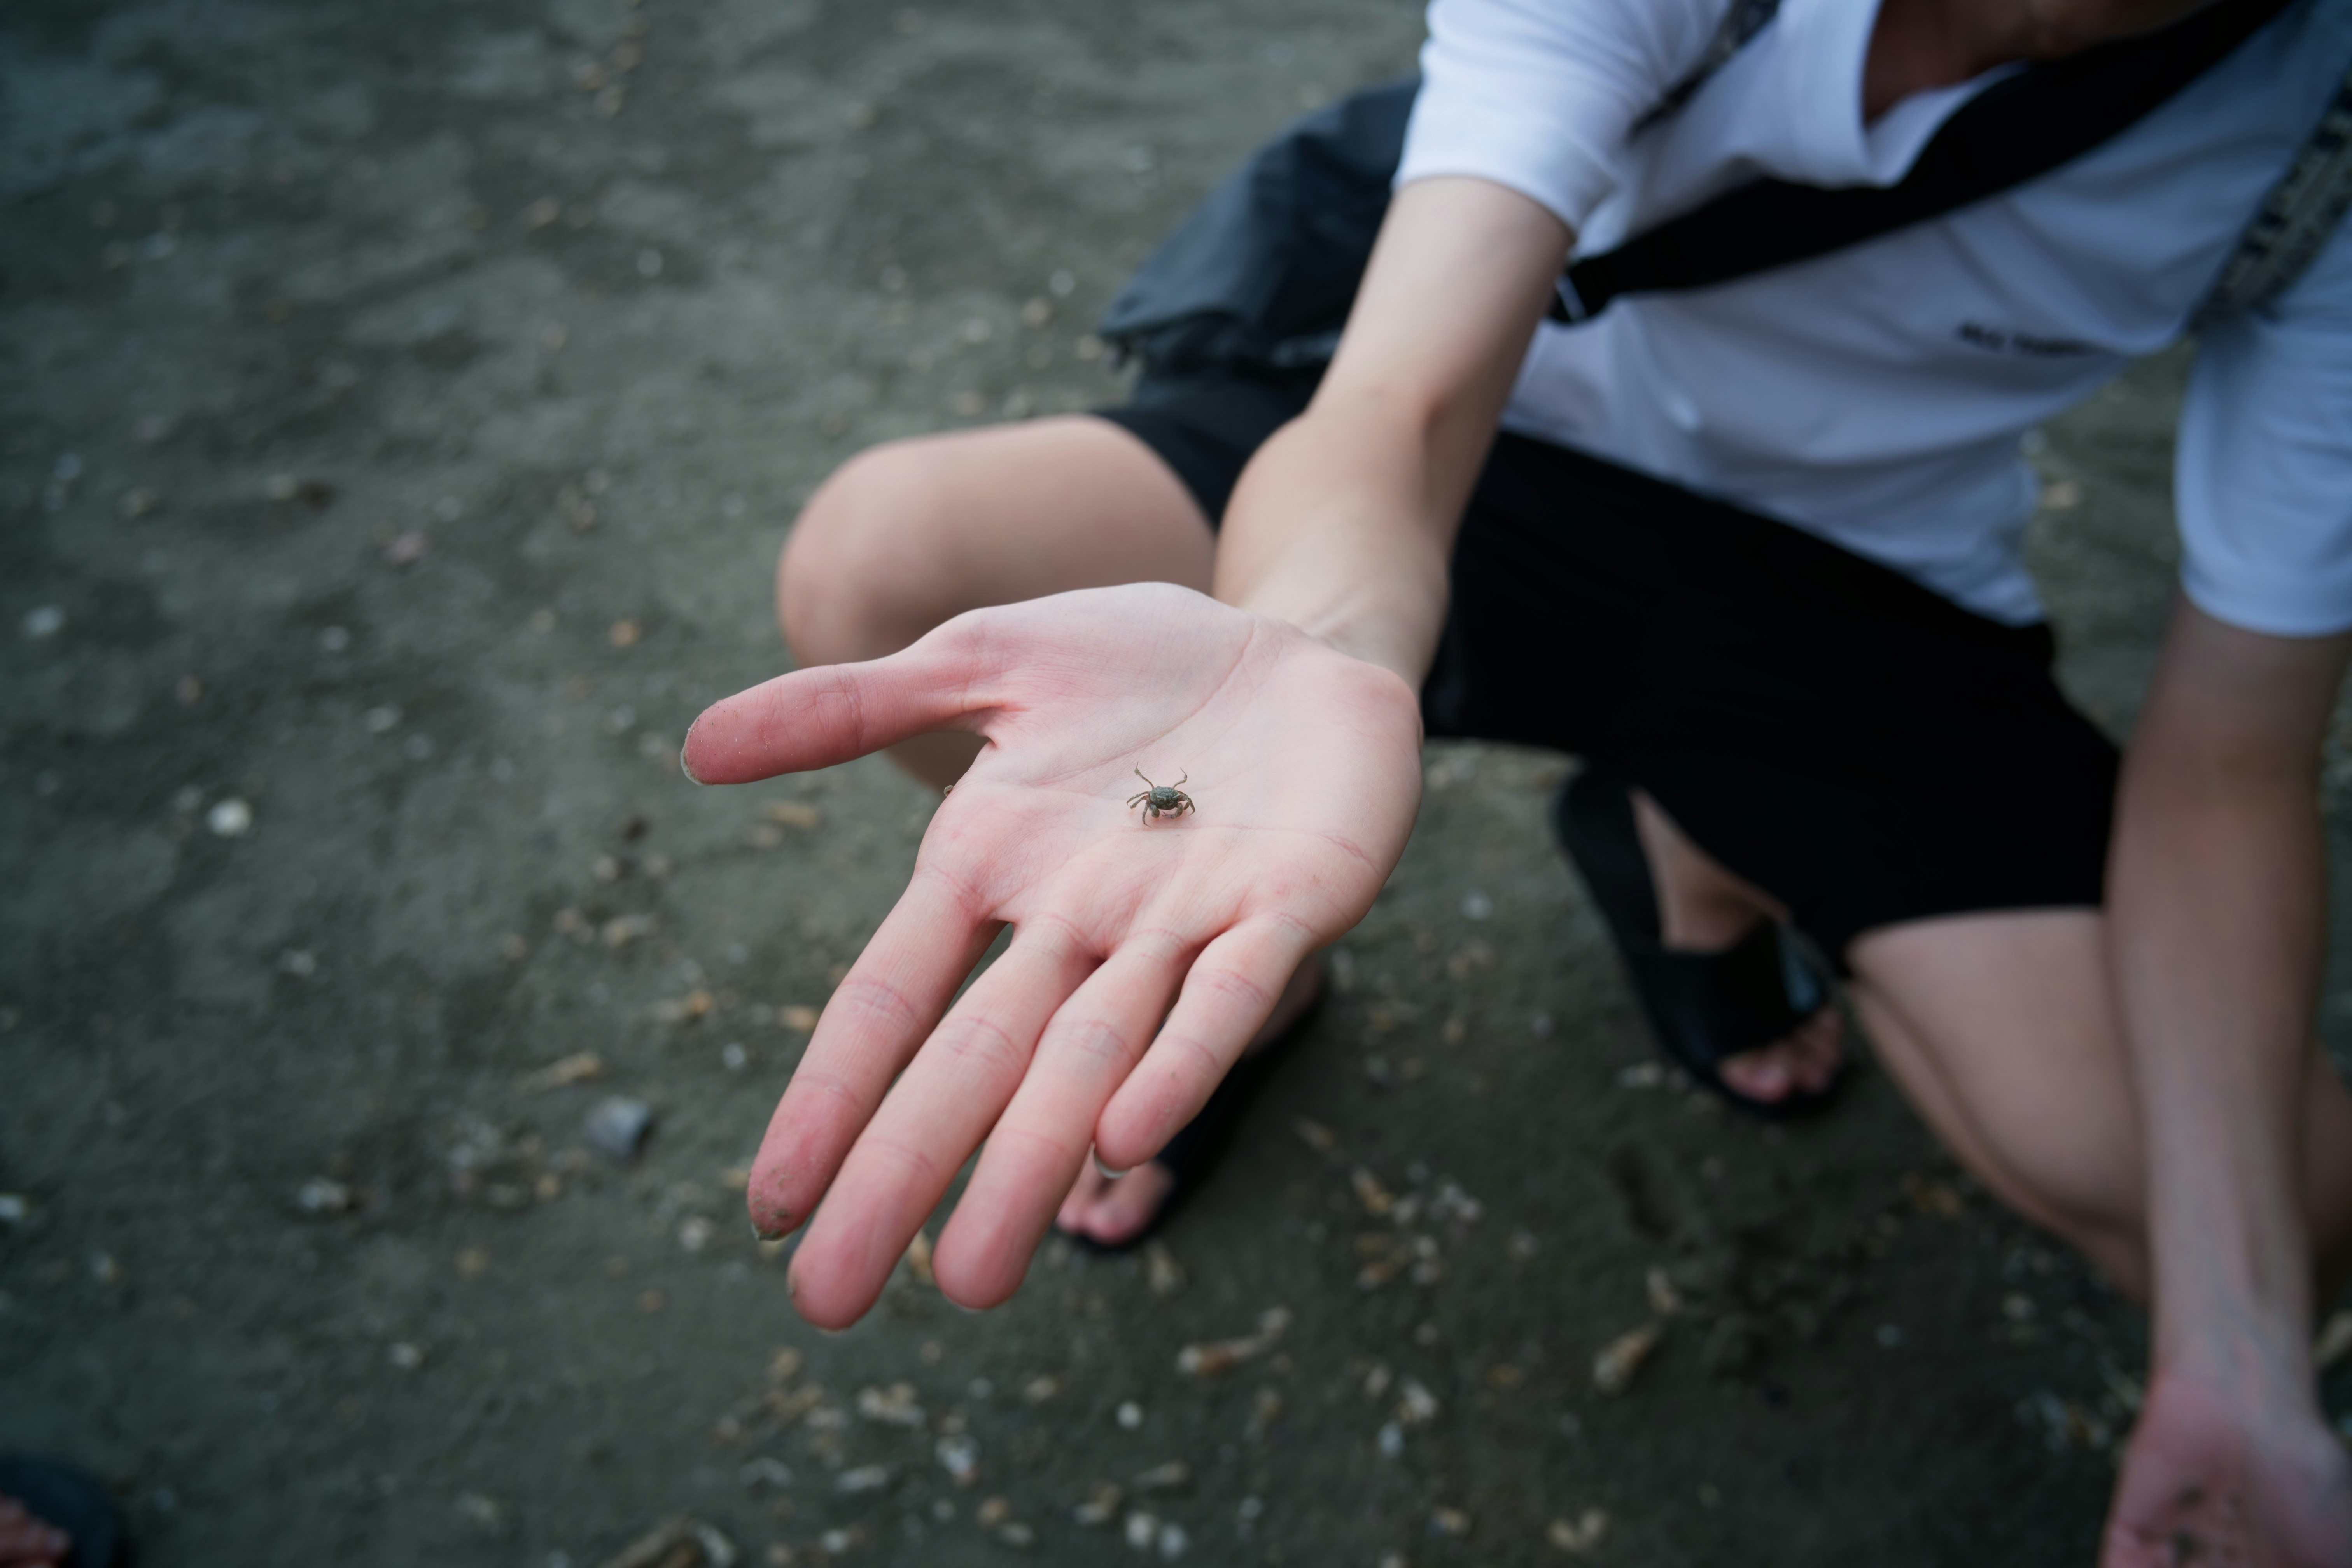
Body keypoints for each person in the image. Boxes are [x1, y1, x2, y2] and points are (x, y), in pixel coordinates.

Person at [681, 0, 2352, 1559]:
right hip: (1487, 449)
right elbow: (1397, 411)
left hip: (1853, 594)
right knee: (882, 565)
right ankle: (1253, 984)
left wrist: (2238, 1352)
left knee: (2276, 1189)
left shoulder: (2321, 122)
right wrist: (1317, 645)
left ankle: (1692, 838)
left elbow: (2233, 758)